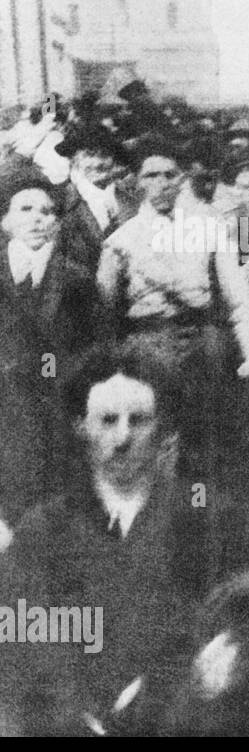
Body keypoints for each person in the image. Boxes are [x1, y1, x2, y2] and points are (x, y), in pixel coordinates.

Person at [0, 344, 249, 735]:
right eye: (107, 420)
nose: (123, 437)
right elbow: (21, 644)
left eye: (138, 420)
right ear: (81, 427)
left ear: (162, 429)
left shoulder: (212, 519)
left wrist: (231, 654)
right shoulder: (44, 531)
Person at [95, 139, 249, 483]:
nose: (162, 183)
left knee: (204, 447)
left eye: (170, 175)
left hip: (203, 347)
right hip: (146, 347)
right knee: (150, 444)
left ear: (182, 180)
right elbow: (103, 316)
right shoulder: (121, 241)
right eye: (151, 175)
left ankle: (197, 520)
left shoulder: (211, 229)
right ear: (136, 181)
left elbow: (241, 302)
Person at [0, 176, 107, 546]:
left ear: (58, 223)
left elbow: (96, 345)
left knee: (54, 482)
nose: (37, 219)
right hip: (4, 399)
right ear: (5, 221)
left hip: (56, 396)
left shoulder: (77, 279)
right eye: (25, 209)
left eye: (47, 212)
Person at [55, 125, 132, 271]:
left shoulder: (129, 198)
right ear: (74, 160)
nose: (98, 163)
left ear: (114, 159)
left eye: (104, 155)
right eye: (89, 155)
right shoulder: (60, 201)